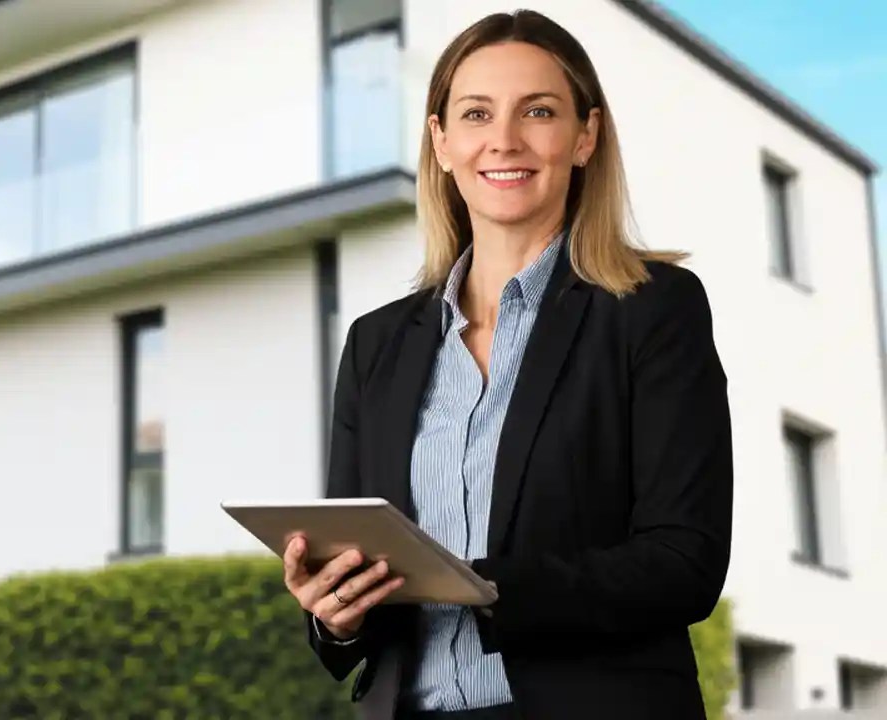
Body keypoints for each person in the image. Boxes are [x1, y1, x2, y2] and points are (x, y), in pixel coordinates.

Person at [282, 9, 733, 720]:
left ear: (585, 136)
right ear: (442, 140)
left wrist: (478, 585)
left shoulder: (653, 310)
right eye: (476, 114)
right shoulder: (377, 345)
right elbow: (354, 597)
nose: (504, 140)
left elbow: (685, 562)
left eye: (540, 111)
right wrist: (336, 614)